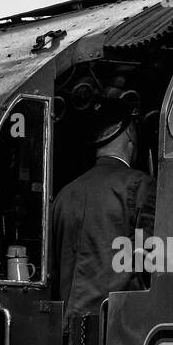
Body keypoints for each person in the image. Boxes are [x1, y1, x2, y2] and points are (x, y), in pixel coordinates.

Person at [51, 110, 156, 323]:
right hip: (117, 328)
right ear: (131, 142)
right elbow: (150, 262)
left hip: (66, 326)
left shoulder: (63, 195)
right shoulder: (140, 186)